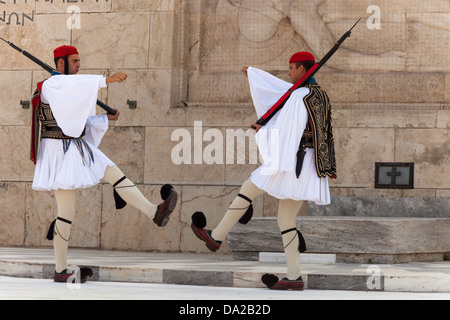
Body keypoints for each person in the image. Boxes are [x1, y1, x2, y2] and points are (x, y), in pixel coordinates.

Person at [31, 45, 178, 284]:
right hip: (59, 152)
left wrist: (104, 118)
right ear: (60, 64)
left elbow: (78, 119)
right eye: (75, 61)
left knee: (114, 173)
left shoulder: (68, 89)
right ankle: (60, 269)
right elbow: (70, 89)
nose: (79, 65)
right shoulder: (51, 85)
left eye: (80, 60)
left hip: (76, 146)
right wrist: (105, 80)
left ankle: (155, 212)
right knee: (66, 213)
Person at [191, 52, 336, 290]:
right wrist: (255, 75)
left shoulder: (300, 96)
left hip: (292, 163)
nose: (289, 73)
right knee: (286, 220)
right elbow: (283, 94)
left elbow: (286, 131)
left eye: (291, 68)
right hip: (311, 165)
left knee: (248, 188)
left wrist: (262, 131)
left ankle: (215, 237)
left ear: (301, 68)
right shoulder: (319, 95)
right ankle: (294, 277)